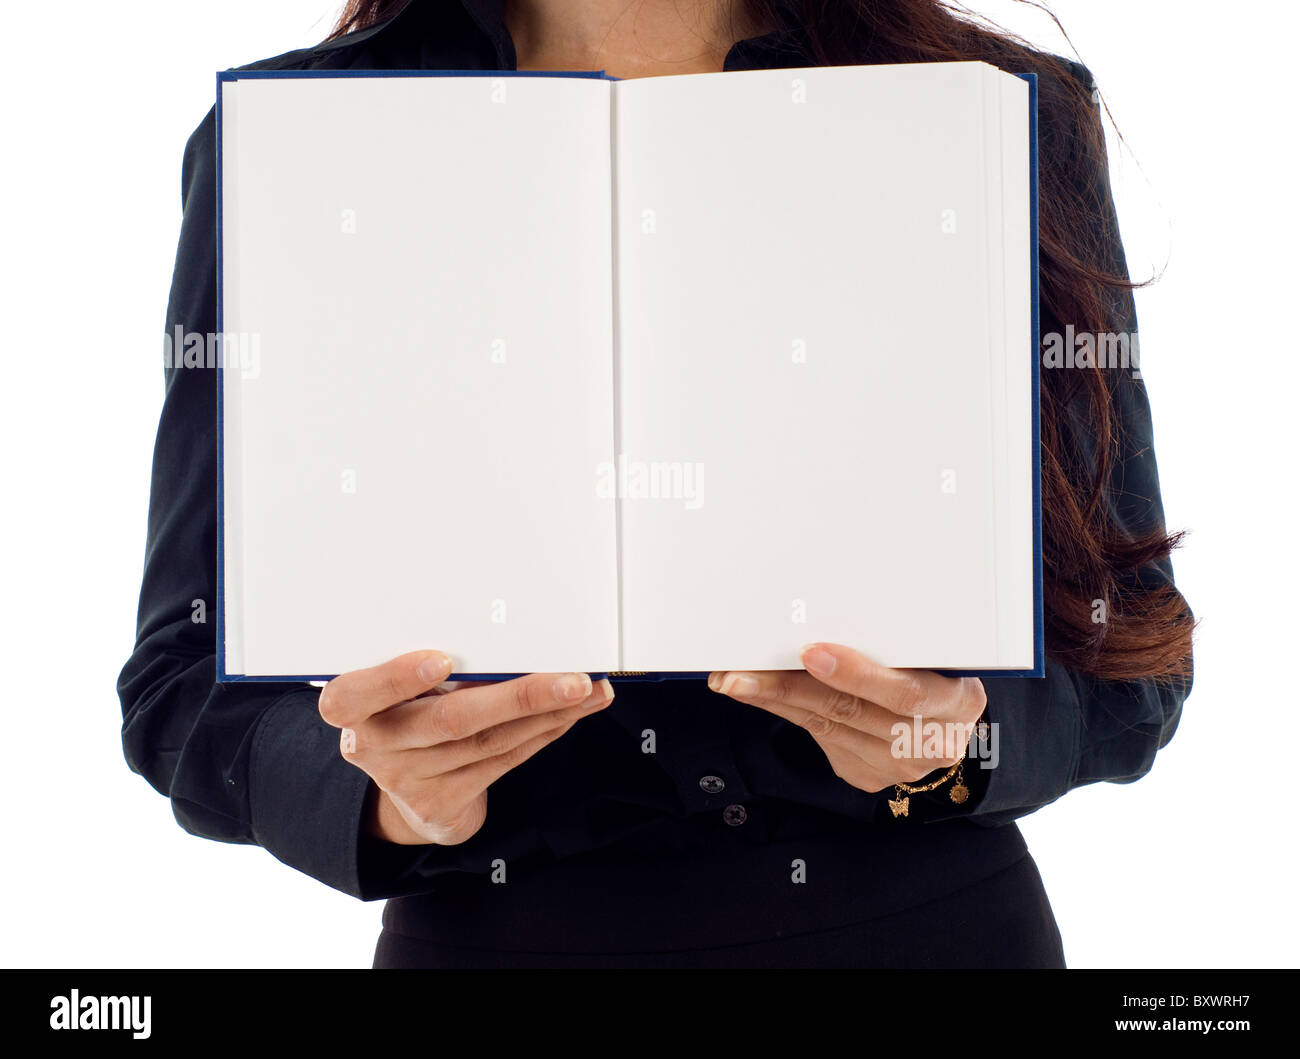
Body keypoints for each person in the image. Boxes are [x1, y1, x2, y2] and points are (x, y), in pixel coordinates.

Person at [118, 0, 1195, 969]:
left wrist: (952, 748)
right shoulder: (297, 142)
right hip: (495, 947)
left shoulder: (991, 115)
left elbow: (1129, 668)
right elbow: (179, 688)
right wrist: (378, 791)